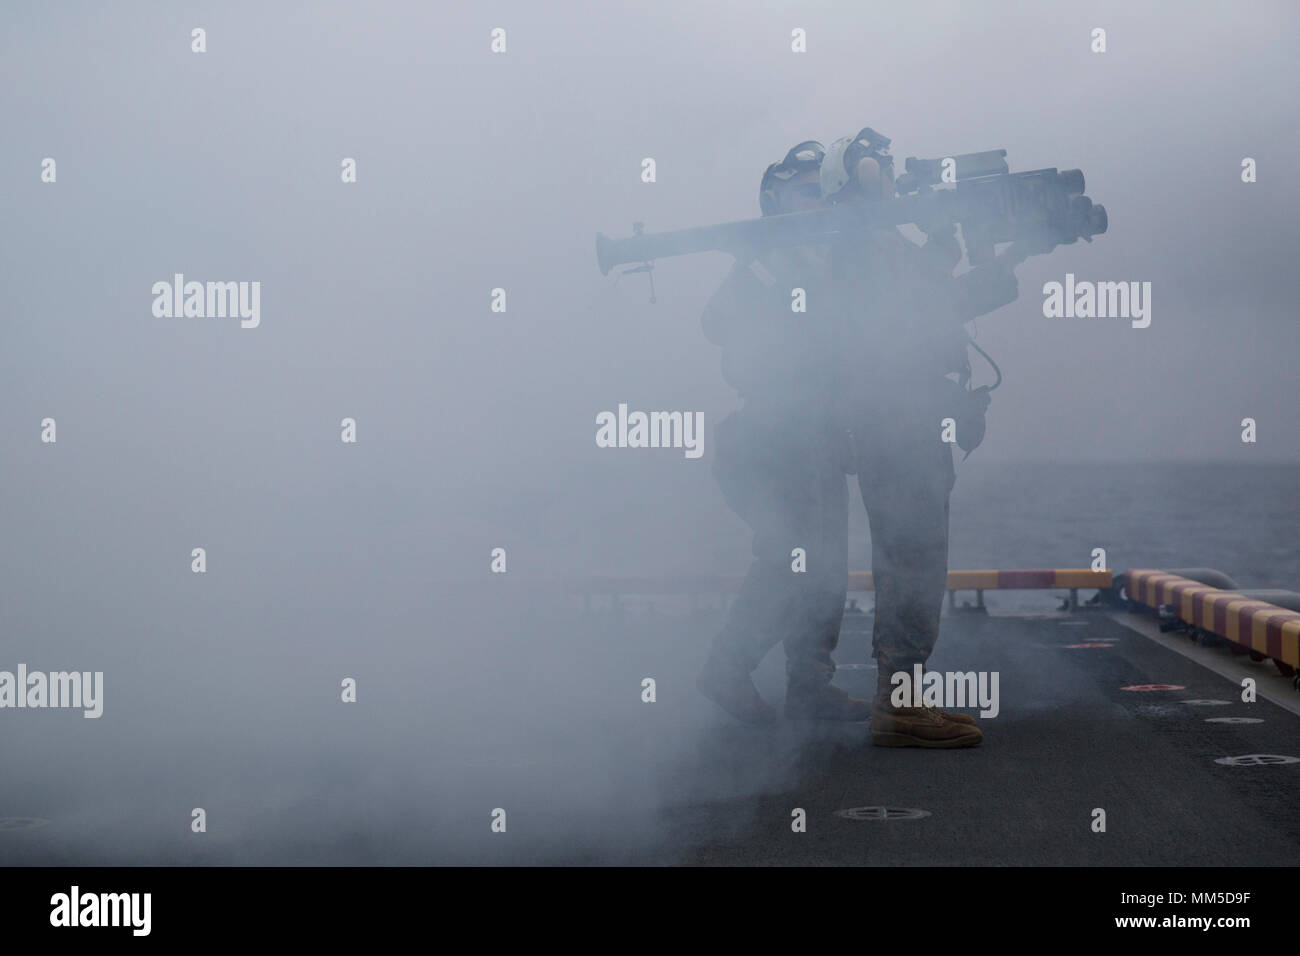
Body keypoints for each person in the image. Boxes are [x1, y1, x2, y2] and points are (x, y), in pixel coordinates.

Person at [698, 130, 1021, 747]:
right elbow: (728, 327)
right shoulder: (789, 259)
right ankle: (878, 699)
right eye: (800, 193)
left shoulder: (849, 250)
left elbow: (923, 307)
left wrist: (981, 263)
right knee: (827, 558)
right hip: (794, 435)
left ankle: (806, 686)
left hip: (825, 430)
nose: (815, 202)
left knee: (815, 562)